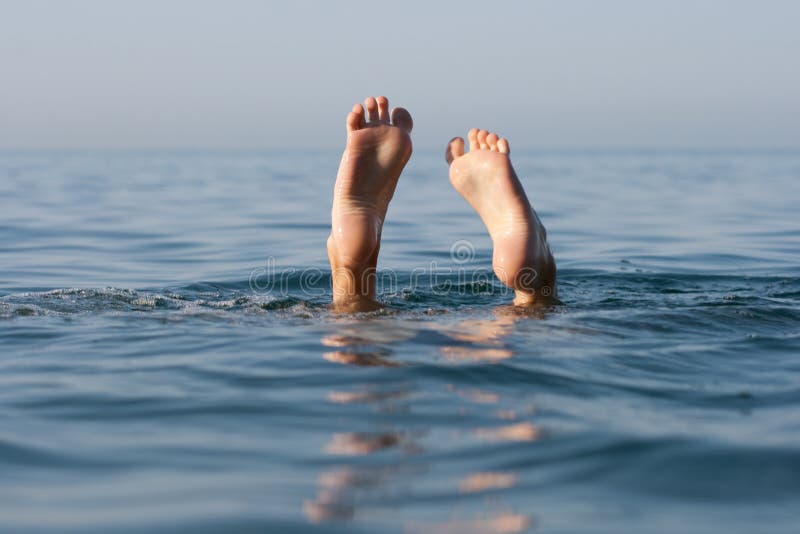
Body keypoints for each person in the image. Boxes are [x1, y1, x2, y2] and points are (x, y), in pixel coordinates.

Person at [327, 96, 556, 312]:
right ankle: (537, 282)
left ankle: (349, 279)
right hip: (497, 338)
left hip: (393, 329)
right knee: (531, 314)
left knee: (352, 316)